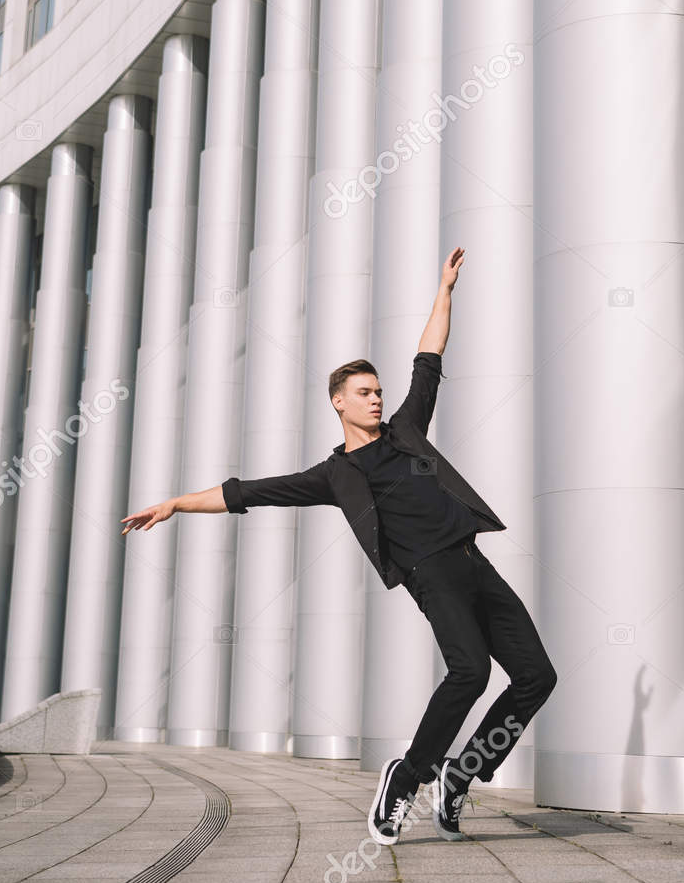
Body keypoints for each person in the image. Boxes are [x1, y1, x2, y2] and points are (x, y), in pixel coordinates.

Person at [122, 245, 556, 844]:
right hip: (431, 574)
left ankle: (461, 774)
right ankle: (406, 778)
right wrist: (175, 503)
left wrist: (445, 290)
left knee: (536, 675)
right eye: (364, 392)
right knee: (471, 671)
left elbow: (428, 358)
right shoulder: (335, 476)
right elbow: (247, 492)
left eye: (378, 391)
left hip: (472, 561)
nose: (376, 398)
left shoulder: (406, 431)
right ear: (339, 401)